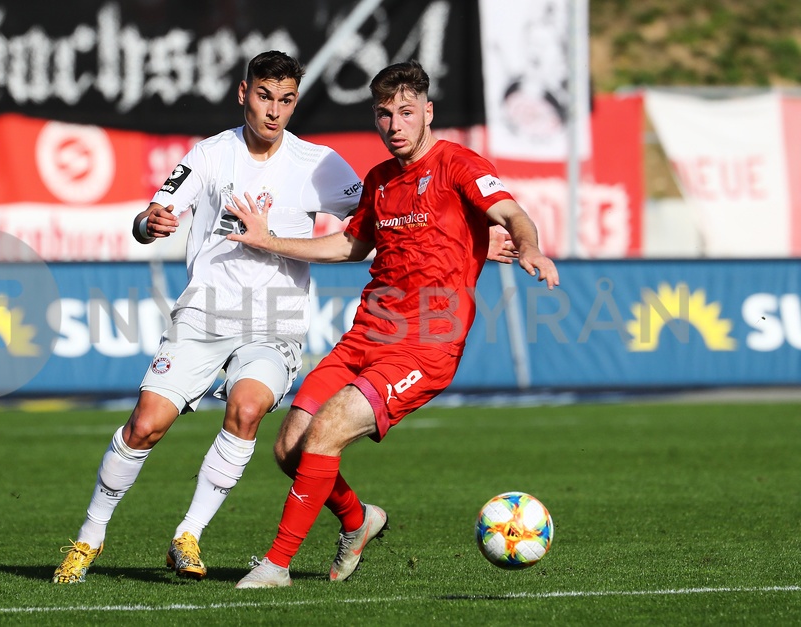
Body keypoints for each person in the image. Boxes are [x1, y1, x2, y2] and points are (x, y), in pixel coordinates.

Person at [226, 60, 560, 588]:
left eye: (406, 112)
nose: (395, 125)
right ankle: (358, 520)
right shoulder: (380, 180)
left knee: (326, 431)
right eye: (385, 114)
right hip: (366, 336)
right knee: (290, 449)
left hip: (425, 346)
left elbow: (511, 213)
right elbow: (350, 245)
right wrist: (269, 241)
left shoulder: (458, 164)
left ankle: (276, 565)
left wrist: (530, 247)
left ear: (428, 112)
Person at [51, 51, 363, 584]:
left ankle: (188, 534)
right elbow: (149, 218)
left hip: (275, 320)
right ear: (244, 94)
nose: (274, 111)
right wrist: (149, 224)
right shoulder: (210, 154)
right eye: (264, 96)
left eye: (286, 100)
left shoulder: (320, 164)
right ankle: (89, 537)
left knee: (247, 409)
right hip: (204, 312)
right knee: (145, 425)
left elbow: (375, 222)